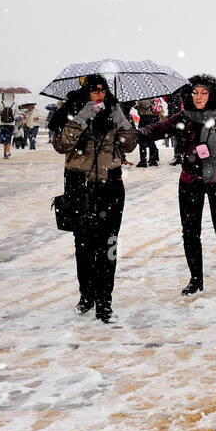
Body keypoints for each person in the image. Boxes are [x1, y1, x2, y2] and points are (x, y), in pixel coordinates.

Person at [136, 74, 216, 297]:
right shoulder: (183, 118)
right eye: (195, 92)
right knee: (190, 232)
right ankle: (196, 279)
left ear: (212, 95)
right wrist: (136, 134)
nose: (199, 97)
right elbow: (158, 129)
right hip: (189, 181)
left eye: (204, 92)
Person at [50, 75, 137, 323]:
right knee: (84, 246)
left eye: (103, 90)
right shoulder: (68, 111)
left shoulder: (114, 111)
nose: (99, 94)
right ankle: (86, 295)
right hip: (79, 185)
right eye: (94, 90)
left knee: (108, 244)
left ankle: (105, 301)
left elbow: (130, 145)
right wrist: (81, 118)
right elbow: (61, 145)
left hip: (111, 184)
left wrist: (122, 120)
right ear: (85, 92)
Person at [135, 97, 161, 167]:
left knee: (142, 138)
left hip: (146, 118)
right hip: (151, 118)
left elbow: (145, 104)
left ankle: (144, 160)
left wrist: (137, 103)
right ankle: (153, 158)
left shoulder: (144, 95)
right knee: (150, 138)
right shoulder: (152, 94)